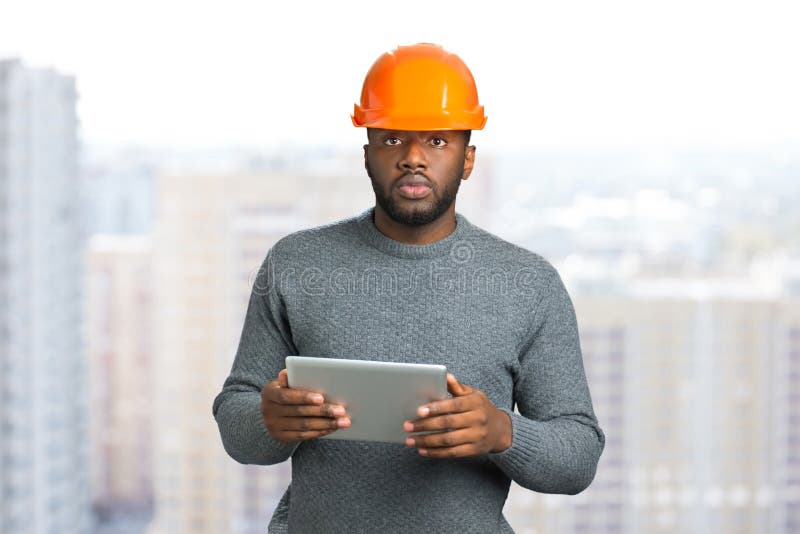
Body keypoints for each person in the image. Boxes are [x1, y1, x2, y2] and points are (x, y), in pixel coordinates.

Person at [212, 42, 605, 533]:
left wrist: (503, 431)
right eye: (393, 139)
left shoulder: (528, 283)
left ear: (468, 159)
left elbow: (579, 456)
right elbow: (236, 419)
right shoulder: (296, 264)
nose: (413, 158)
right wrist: (267, 420)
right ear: (368, 154)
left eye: (437, 141)